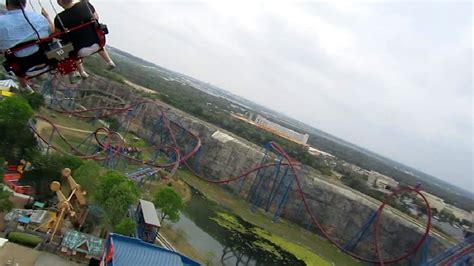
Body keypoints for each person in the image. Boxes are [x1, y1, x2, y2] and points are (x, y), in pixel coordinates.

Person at [0, 0, 53, 92]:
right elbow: (51, 32)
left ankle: (24, 86)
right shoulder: (38, 18)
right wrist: (47, 17)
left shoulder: (1, 22)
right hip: (46, 61)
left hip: (23, 67)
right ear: (24, 4)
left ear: (7, 5)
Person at [55, 0, 115, 79]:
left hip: (80, 51)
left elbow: (58, 34)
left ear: (60, 3)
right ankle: (109, 61)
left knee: (69, 45)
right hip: (97, 44)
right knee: (93, 35)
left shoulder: (59, 18)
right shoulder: (85, 5)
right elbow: (96, 17)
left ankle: (82, 72)